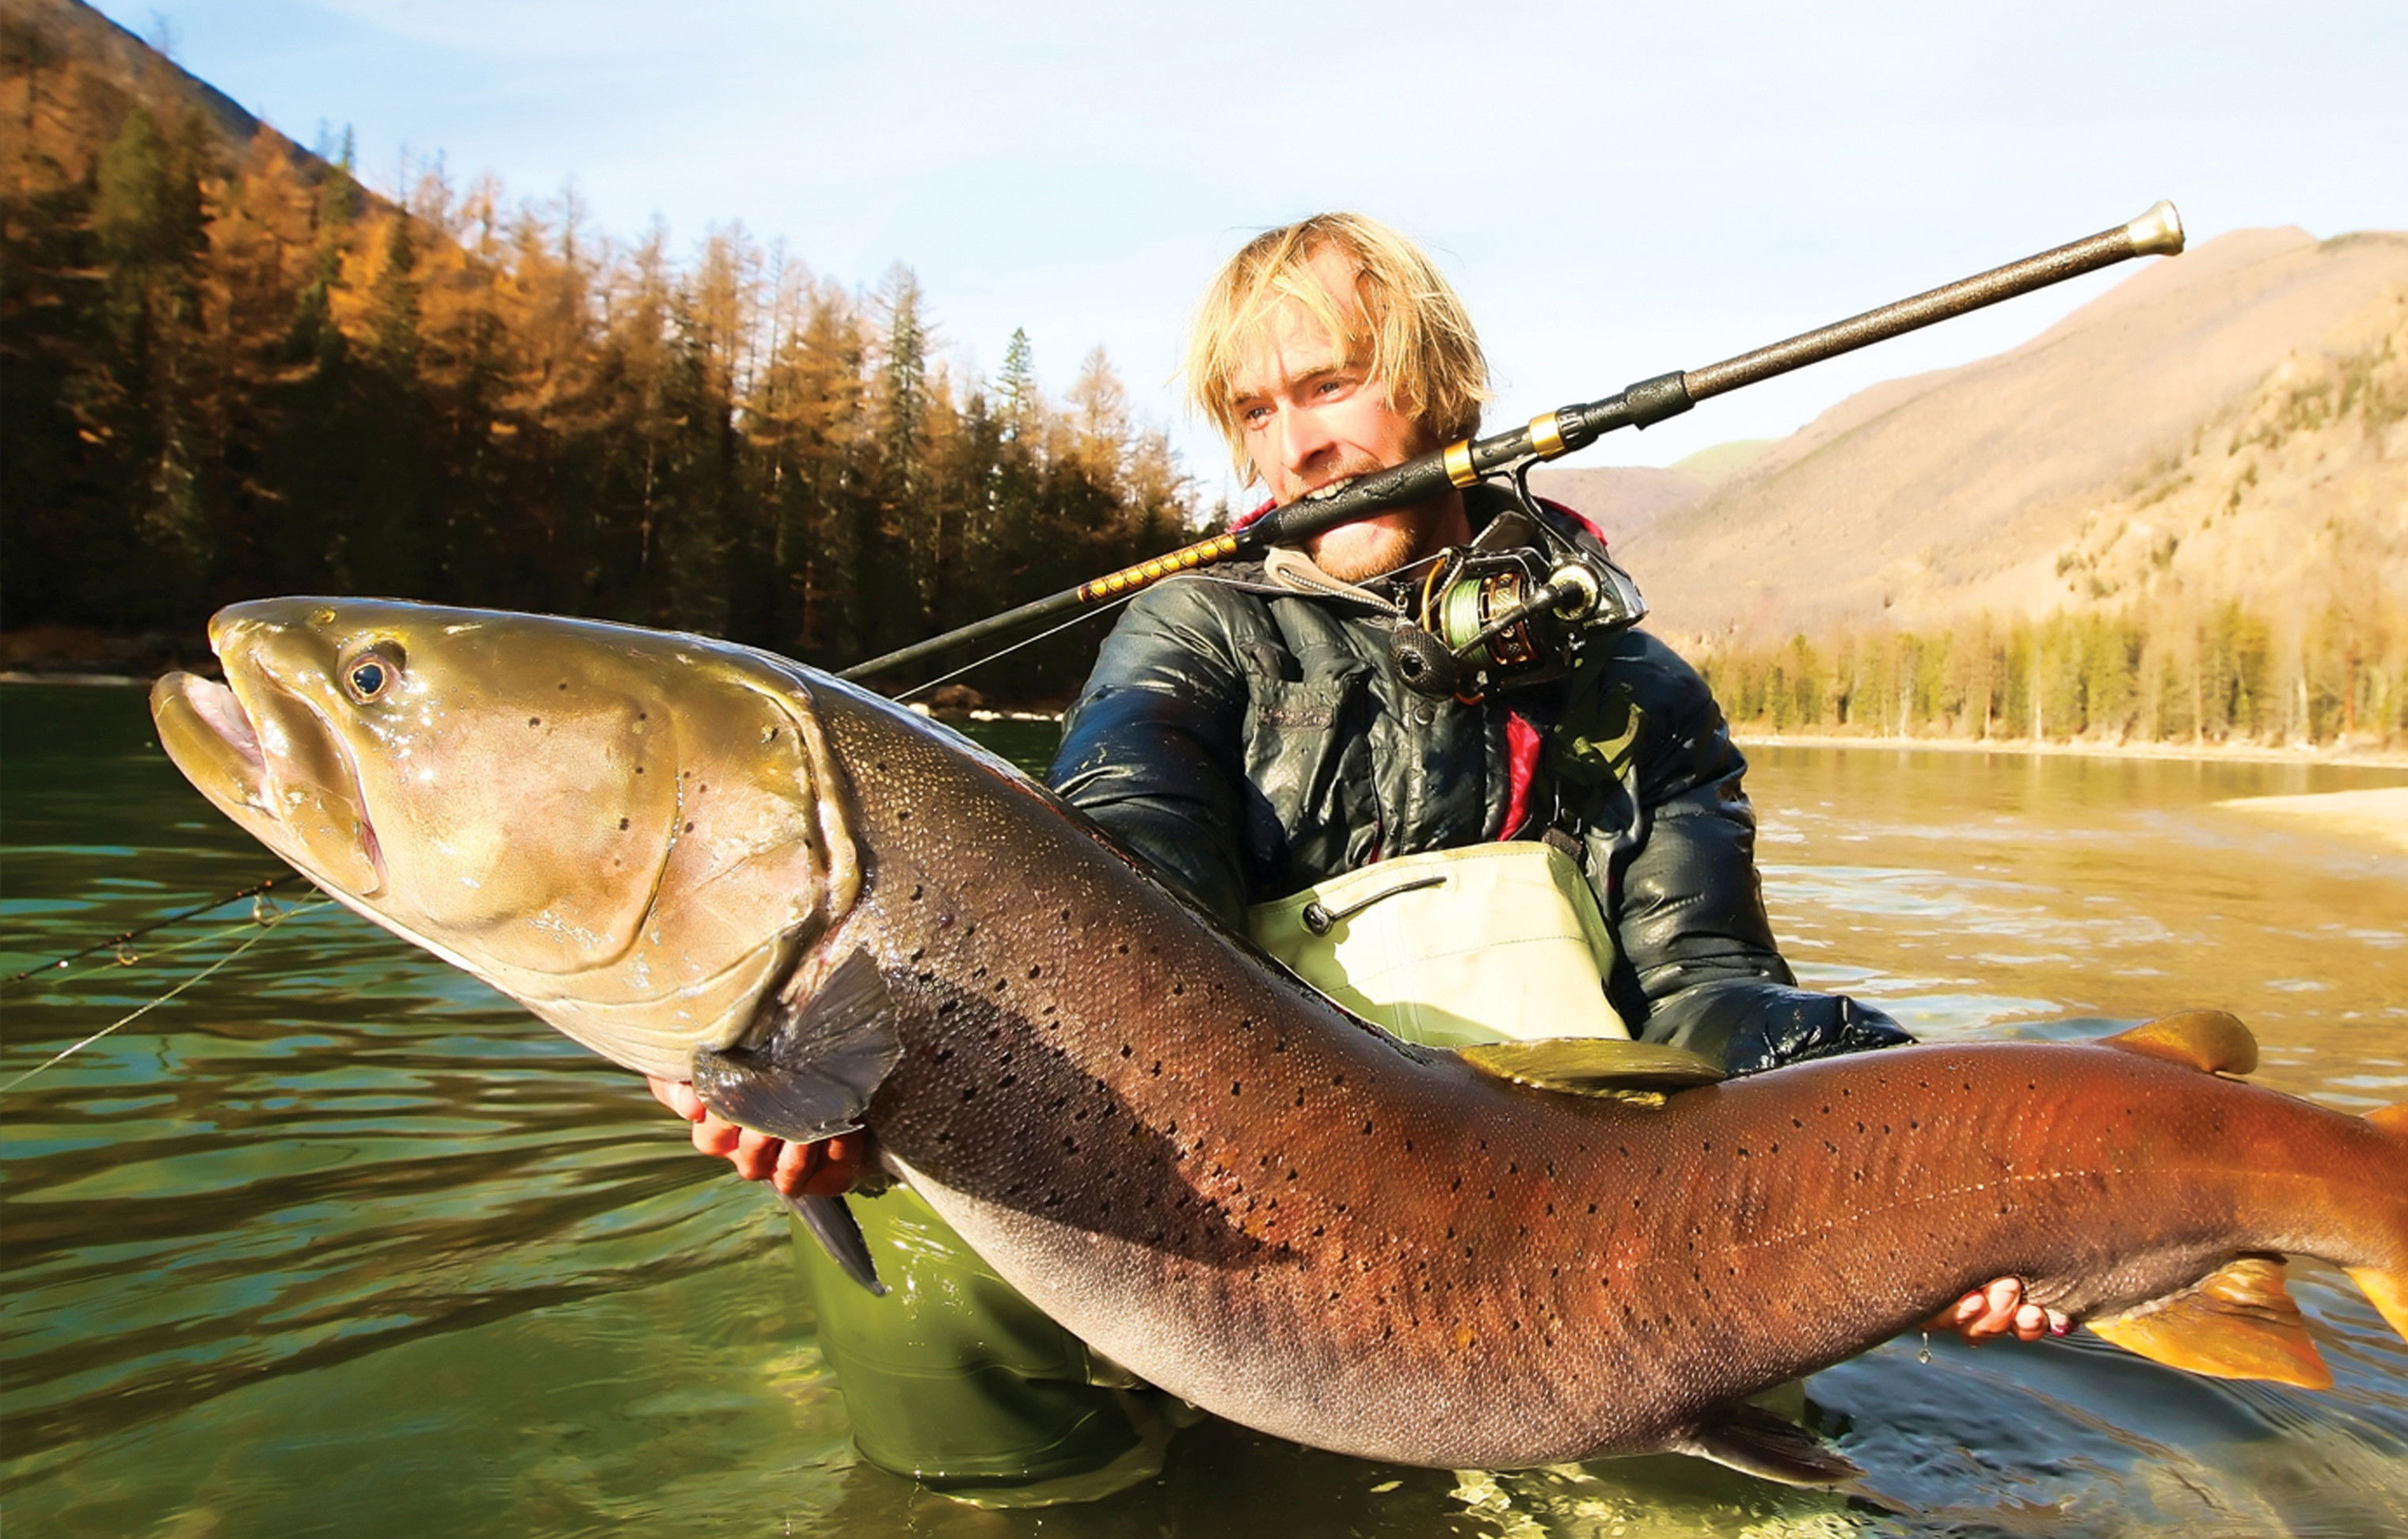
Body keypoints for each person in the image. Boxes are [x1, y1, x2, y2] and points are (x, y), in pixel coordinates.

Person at [648, 213, 2060, 1491]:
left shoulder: (1635, 689)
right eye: (1254, 414)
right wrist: (824, 1075)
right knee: (922, 1232)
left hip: (1574, 1229)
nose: (1294, 449)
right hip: (1230, 1208)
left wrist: (1960, 1178)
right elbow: (1120, 889)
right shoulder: (1189, 639)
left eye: (1328, 387)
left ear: (1440, 386)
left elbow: (1710, 997)